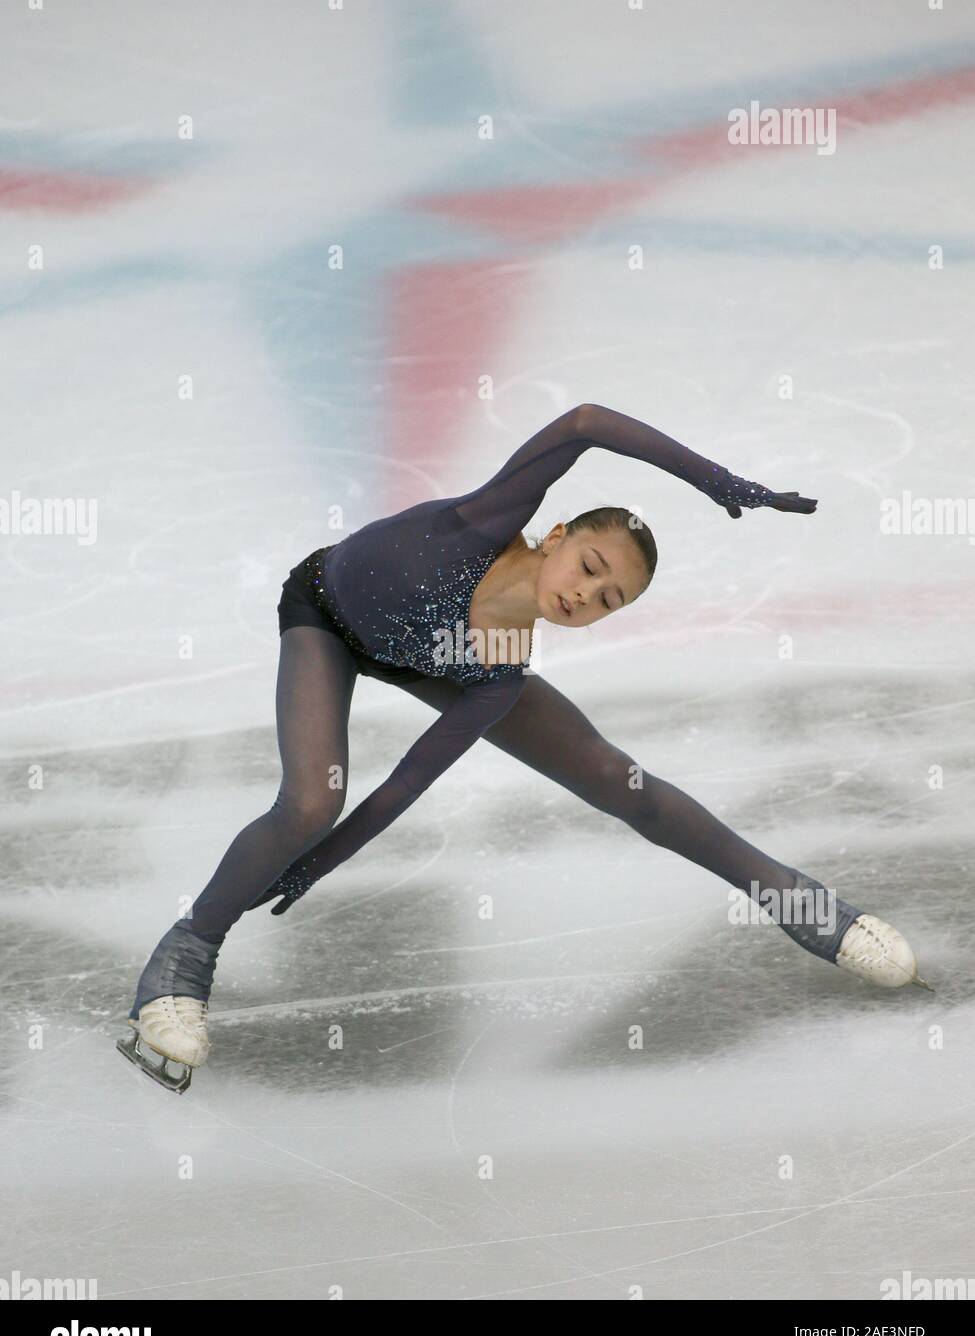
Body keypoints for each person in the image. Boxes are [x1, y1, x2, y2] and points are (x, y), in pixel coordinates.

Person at [117, 403, 928, 1093]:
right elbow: (584, 423)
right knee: (308, 802)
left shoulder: (501, 674)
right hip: (326, 614)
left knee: (617, 777)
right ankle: (184, 955)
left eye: (607, 599)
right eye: (589, 565)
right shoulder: (484, 522)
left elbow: (411, 779)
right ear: (556, 533)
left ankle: (803, 905)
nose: (584, 593)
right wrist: (718, 482)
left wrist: (322, 863)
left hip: (430, 659)